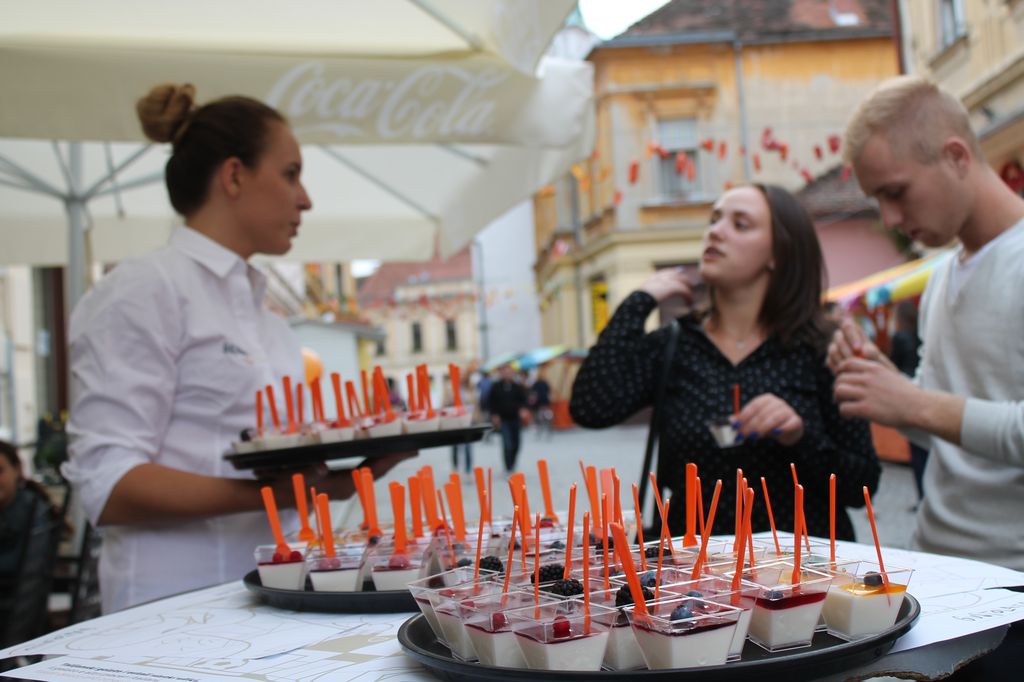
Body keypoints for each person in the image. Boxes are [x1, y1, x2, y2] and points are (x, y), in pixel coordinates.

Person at [63, 83, 409, 613]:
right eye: (290, 173)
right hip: (169, 613)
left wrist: (327, 482)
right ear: (233, 176)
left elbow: (269, 461)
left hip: (276, 598)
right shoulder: (143, 291)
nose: (305, 199)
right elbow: (109, 486)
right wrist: (283, 495)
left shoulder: (271, 325)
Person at [570, 184, 881, 539]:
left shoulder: (823, 347)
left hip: (800, 565)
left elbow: (862, 486)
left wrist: (801, 436)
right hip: (693, 567)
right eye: (714, 220)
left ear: (778, 253)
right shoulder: (676, 343)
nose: (716, 231)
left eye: (740, 224)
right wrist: (638, 303)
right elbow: (591, 406)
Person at [828, 76, 1024, 571]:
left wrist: (914, 402)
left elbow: (948, 414)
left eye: (895, 192)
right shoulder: (941, 276)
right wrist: (886, 389)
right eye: (877, 200)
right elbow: (954, 437)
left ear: (956, 156)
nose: (890, 218)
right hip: (941, 567)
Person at [887, 300, 928, 502]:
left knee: (916, 448)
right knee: (924, 449)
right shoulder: (918, 335)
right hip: (921, 391)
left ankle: (922, 496)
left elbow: (894, 365)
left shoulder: (899, 337)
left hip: (905, 389)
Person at [487, 364, 529, 474]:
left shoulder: (517, 387)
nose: (507, 374)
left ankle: (513, 463)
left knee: (516, 443)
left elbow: (523, 401)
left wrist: (523, 409)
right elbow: (491, 402)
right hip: (503, 419)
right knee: (507, 443)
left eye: (509, 372)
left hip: (515, 419)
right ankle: (508, 467)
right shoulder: (496, 386)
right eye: (505, 372)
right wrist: (494, 415)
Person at [529, 371, 553, 438]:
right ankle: (544, 426)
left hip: (541, 401)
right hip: (540, 401)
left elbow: (533, 392)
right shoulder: (542, 383)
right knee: (542, 415)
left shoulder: (539, 383)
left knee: (542, 415)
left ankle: (543, 427)